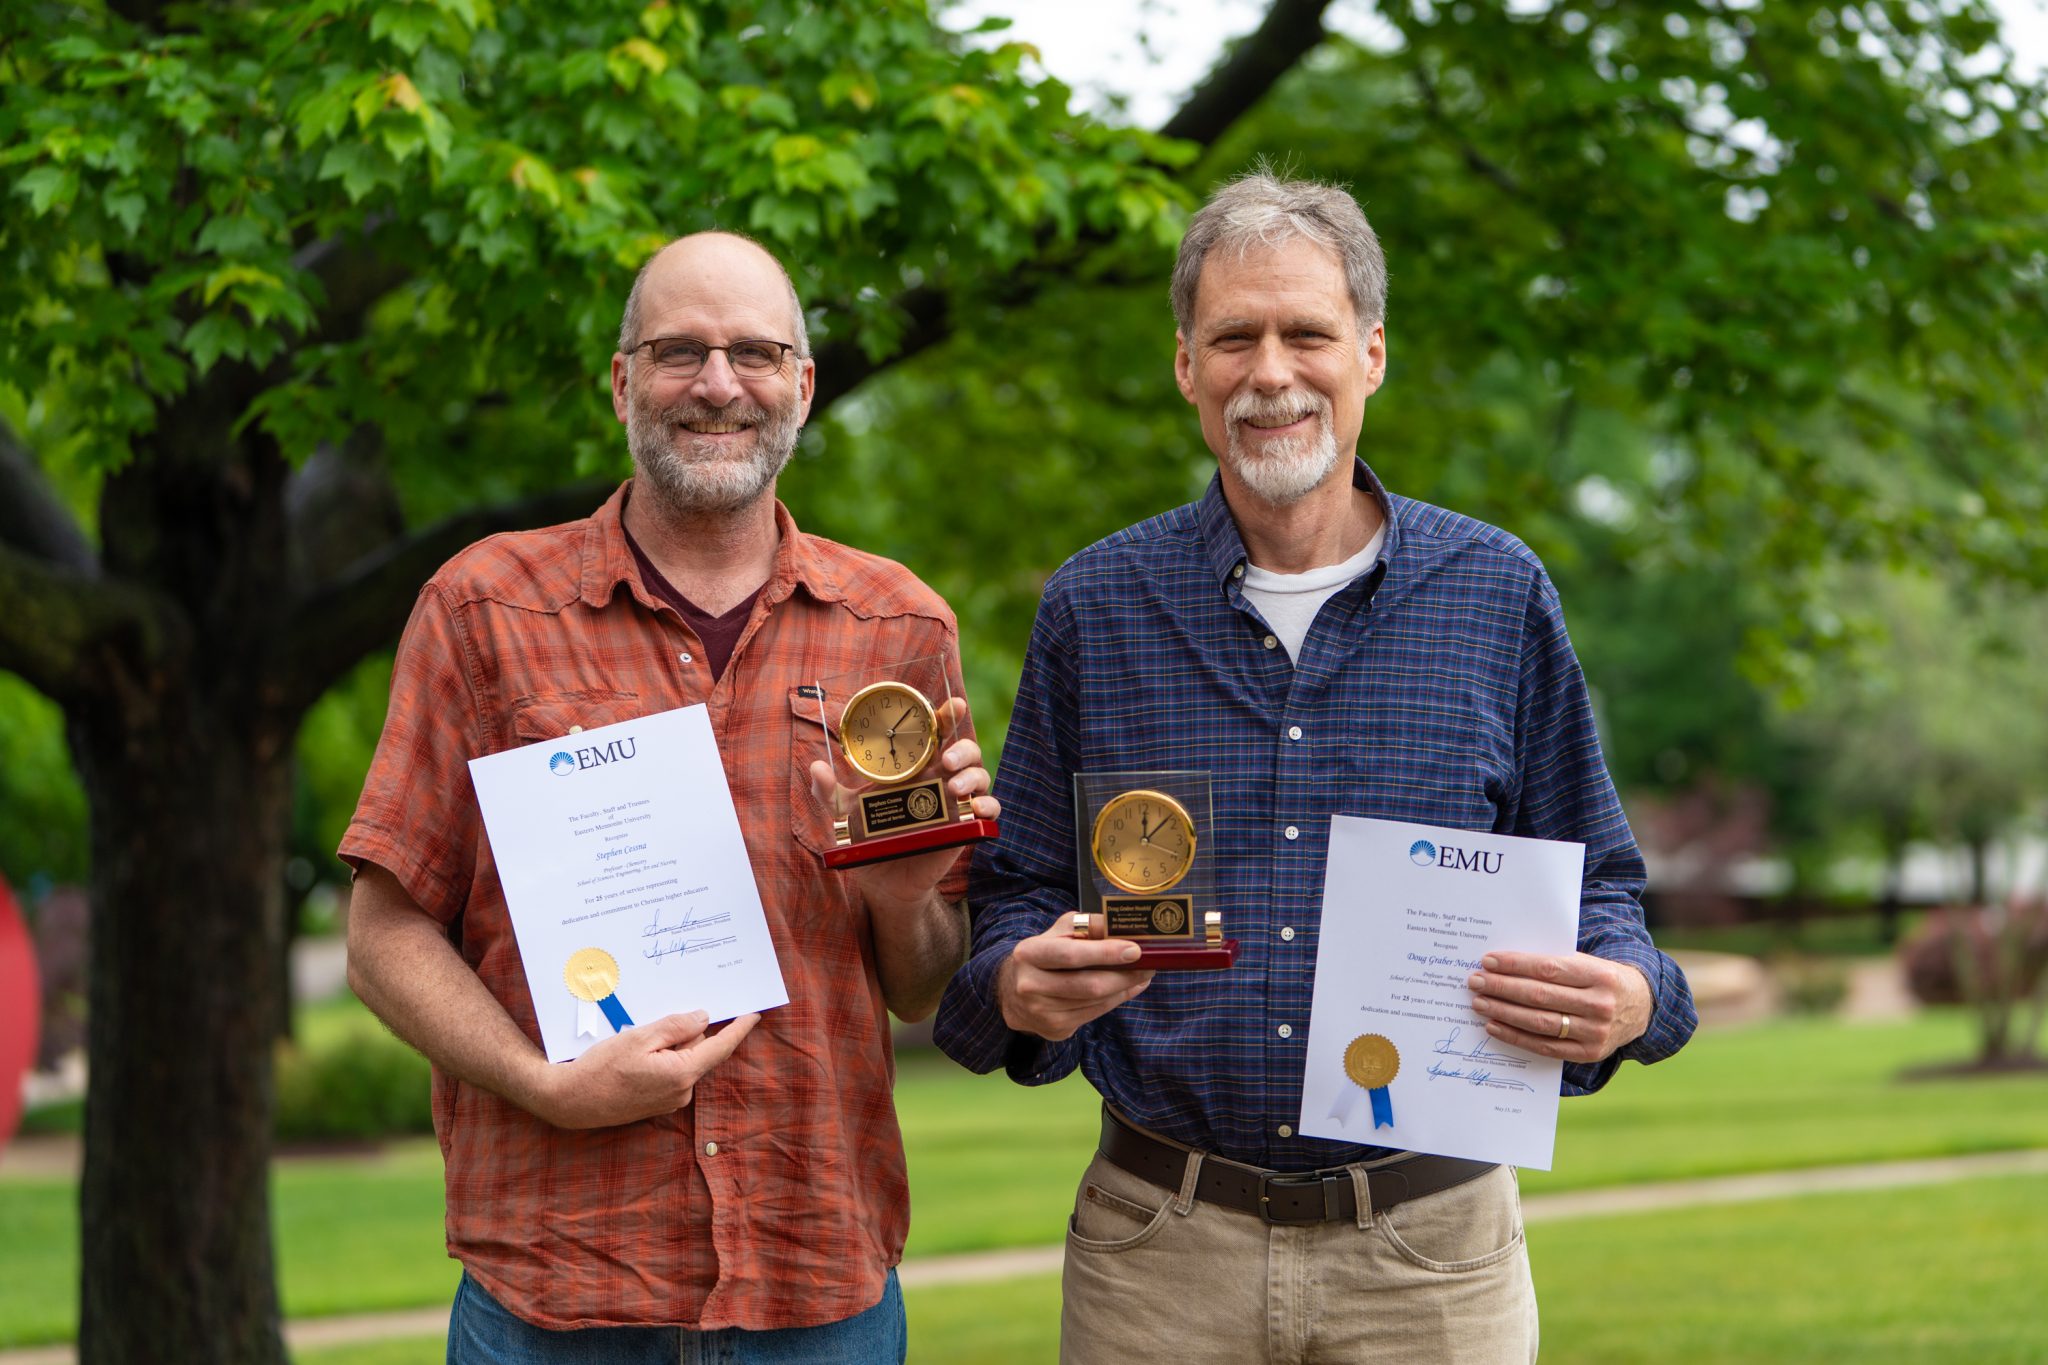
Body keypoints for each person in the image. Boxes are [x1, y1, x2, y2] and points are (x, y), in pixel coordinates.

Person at [932, 173, 1698, 1363]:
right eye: (1233, 336)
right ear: (1185, 365)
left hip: (1430, 1262)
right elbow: (1014, 894)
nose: (1270, 372)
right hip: (1156, 1259)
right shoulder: (1095, 606)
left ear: (1372, 353)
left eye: (1307, 332)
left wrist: (1633, 999)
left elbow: (1599, 883)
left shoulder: (1495, 595)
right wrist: (1017, 989)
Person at [342, 231, 997, 1362]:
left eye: (753, 352)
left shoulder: (898, 627)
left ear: (801, 383)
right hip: (555, 1285)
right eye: (677, 351)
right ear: (620, 381)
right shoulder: (483, 607)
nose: (716, 384)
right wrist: (540, 1083)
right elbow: (383, 932)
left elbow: (921, 984)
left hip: (817, 1285)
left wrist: (900, 894)